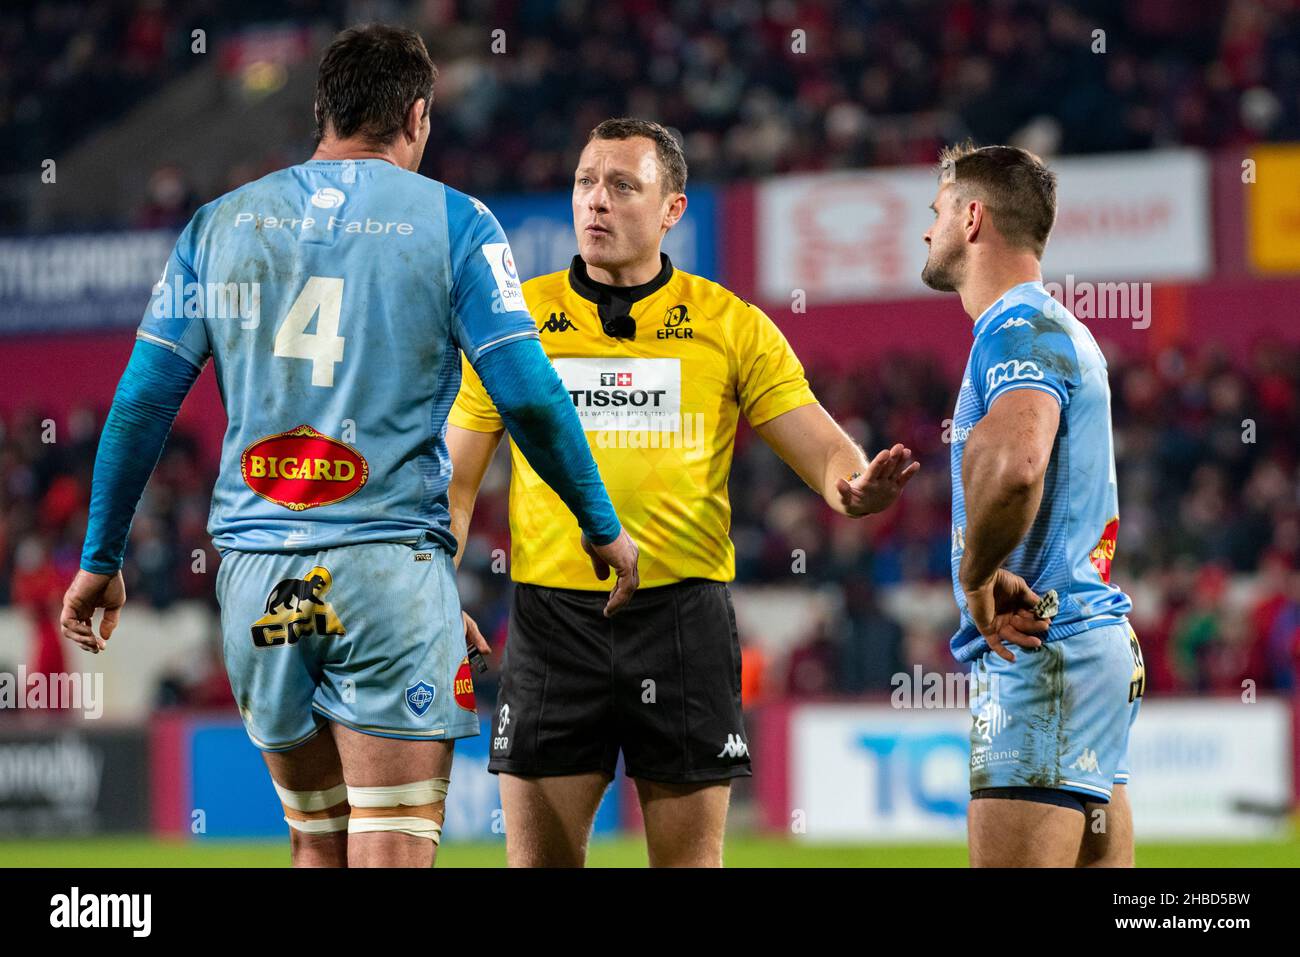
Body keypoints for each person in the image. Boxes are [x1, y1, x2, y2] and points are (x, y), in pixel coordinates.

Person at [59, 24, 637, 869]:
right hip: (387, 570)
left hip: (257, 579)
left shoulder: (218, 225)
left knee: (317, 843)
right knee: (391, 843)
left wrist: (101, 557)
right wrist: (601, 525)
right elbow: (527, 395)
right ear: (416, 115)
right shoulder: (457, 223)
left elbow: (144, 399)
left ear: (322, 110)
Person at [448, 118, 918, 867]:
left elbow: (824, 449)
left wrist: (852, 485)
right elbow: (457, 476)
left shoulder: (730, 325)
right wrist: (439, 589)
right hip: (550, 622)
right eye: (585, 182)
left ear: (673, 209)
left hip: (682, 621)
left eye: (622, 186)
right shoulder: (517, 321)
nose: (595, 201)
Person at [920, 142, 1143, 867]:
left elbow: (1018, 464)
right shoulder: (1055, 328)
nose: (928, 231)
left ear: (973, 217)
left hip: (1043, 652)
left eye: (937, 212)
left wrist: (977, 580)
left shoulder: (1017, 330)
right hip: (1090, 646)